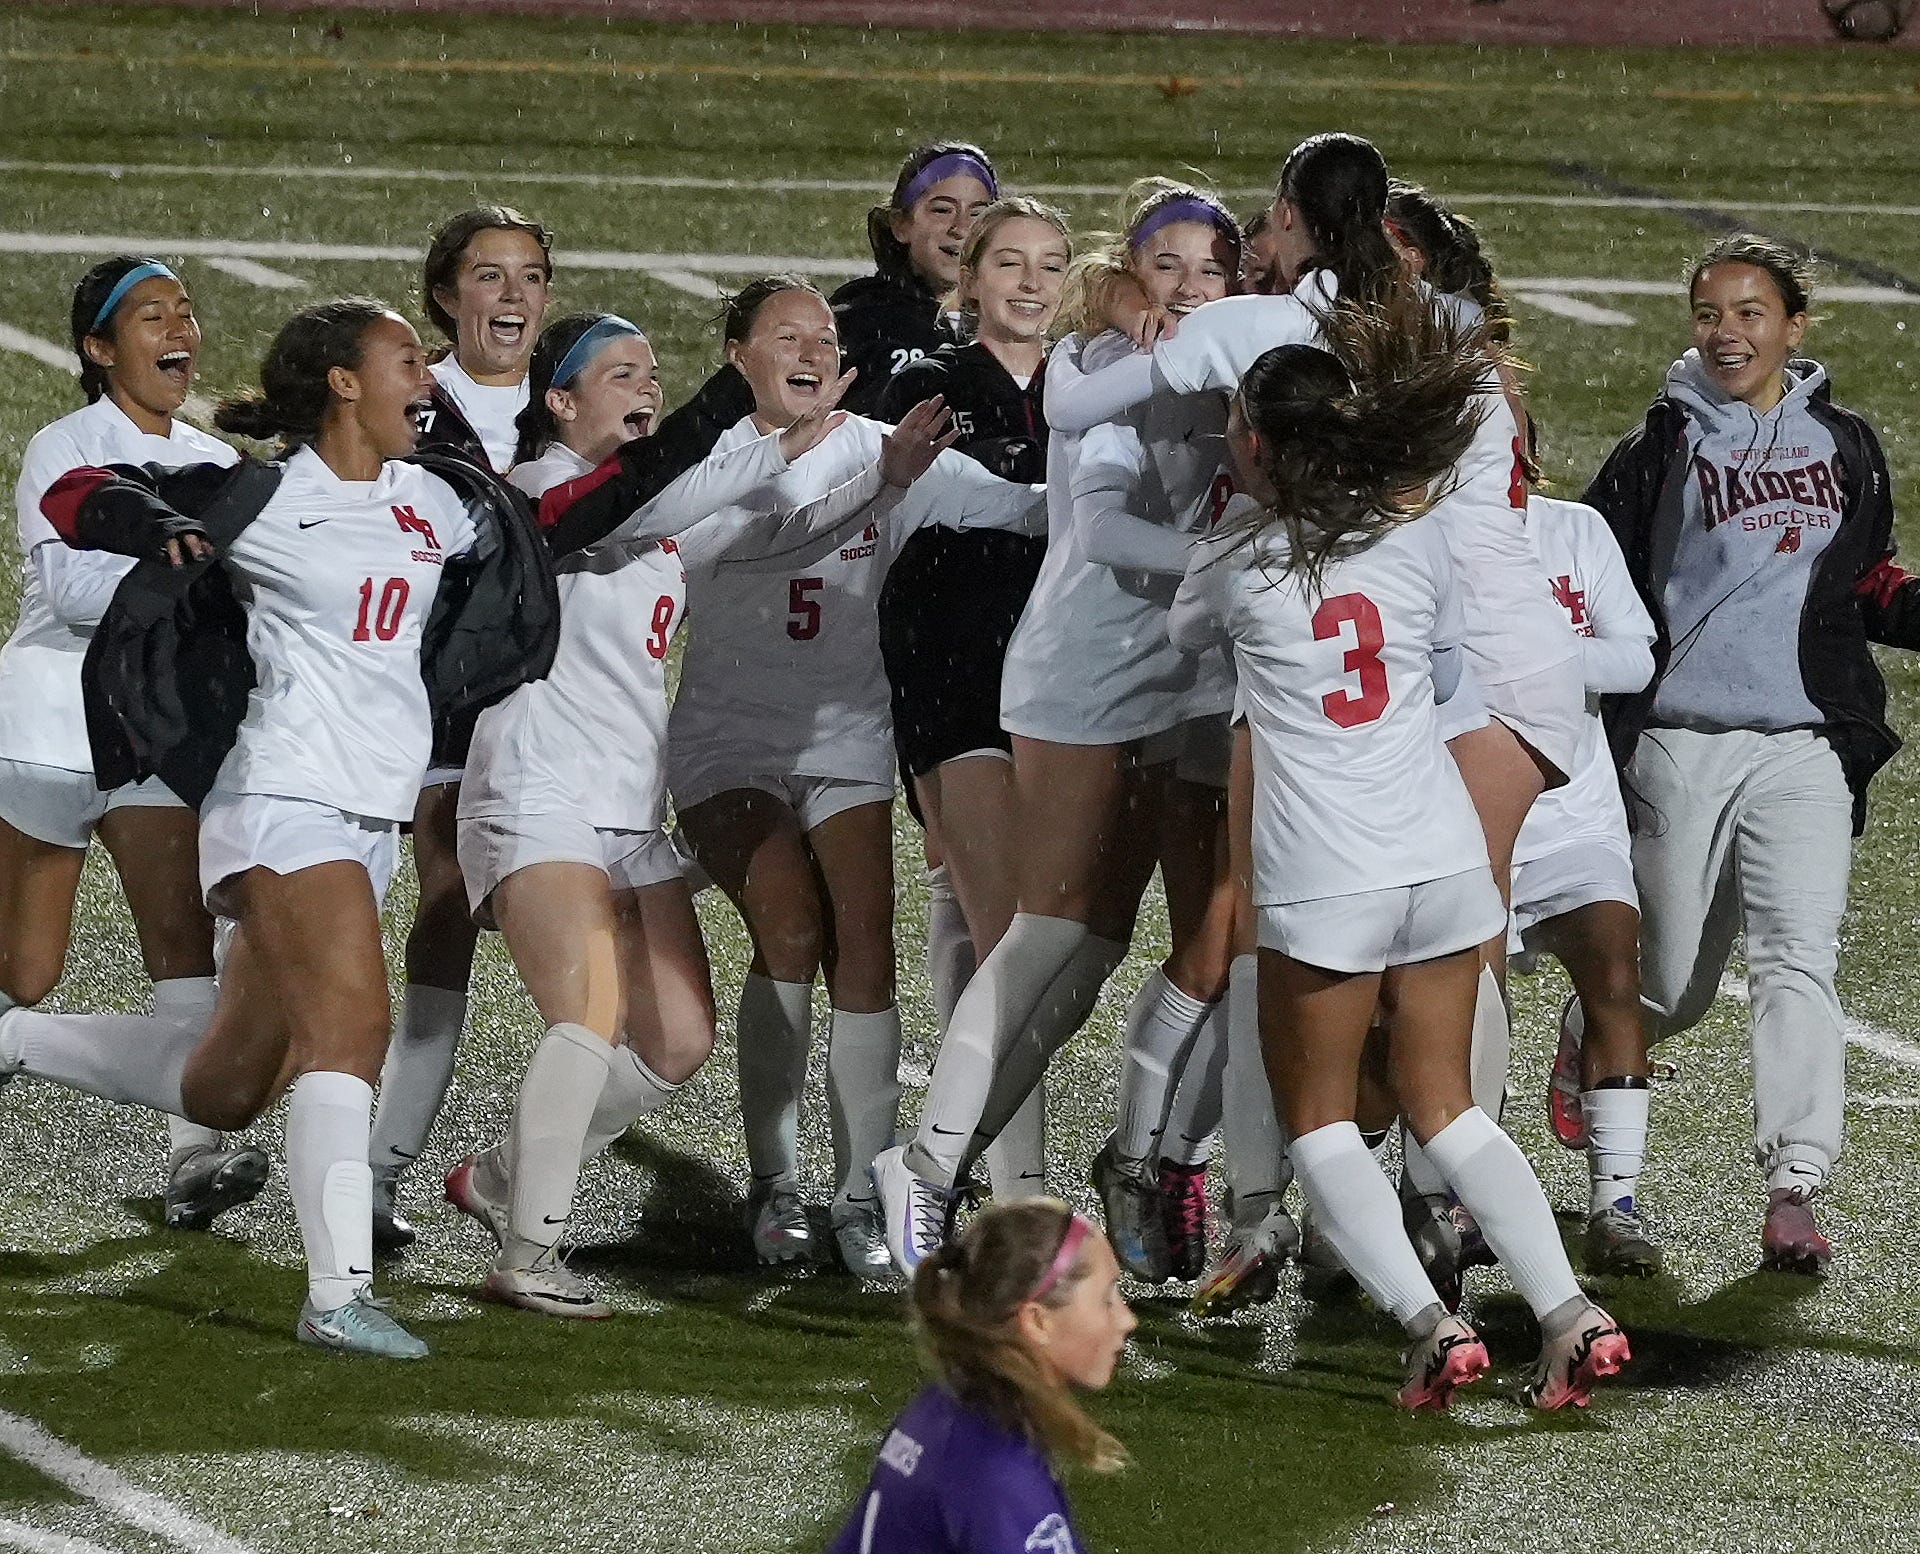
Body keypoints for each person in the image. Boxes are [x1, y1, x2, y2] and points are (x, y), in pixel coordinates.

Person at [3, 297, 556, 1358]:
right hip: (279, 799)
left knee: (226, 1082)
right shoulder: (265, 496)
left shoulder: (433, 501)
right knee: (348, 1033)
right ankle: (337, 1293)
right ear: (344, 383)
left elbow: (523, 552)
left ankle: (14, 1039)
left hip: (371, 816)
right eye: (407, 360)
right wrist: (157, 526)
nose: (426, 379)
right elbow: (80, 493)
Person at [1171, 300, 1630, 1411]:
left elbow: (1186, 637)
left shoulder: (1237, 563)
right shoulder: (1417, 539)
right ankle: (1570, 1313)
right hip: (1442, 863)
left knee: (1320, 1120)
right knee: (1450, 1108)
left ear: (1259, 445)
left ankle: (1436, 1328)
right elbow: (1429, 672)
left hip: (1328, 875)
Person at [873, 181, 1247, 1280]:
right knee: (1045, 930)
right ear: (1127, 269)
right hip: (1086, 668)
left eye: (1209, 268)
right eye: (1165, 263)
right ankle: (926, 1165)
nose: (1186, 286)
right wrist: (1235, 565)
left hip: (1185, 675)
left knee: (1094, 954)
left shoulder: (1231, 365)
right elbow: (1116, 523)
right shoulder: (1095, 365)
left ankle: (971, 1164)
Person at [667, 277, 1046, 1276]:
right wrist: (884, 480)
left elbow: (1021, 509)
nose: (808, 348)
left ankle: (857, 1195)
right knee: (790, 922)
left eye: (823, 336)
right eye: (783, 334)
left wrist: (1127, 491)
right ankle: (773, 1182)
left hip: (844, 739)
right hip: (729, 741)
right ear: (738, 352)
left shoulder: (885, 445)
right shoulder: (699, 461)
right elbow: (761, 539)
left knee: (867, 952)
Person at [1583, 233, 1920, 1274]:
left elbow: (1862, 582)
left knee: (1798, 960)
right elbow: (1596, 579)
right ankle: (1592, 1035)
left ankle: (1795, 1186)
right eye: (1710, 314)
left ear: (1795, 326)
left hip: (1804, 747)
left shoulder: (1847, 443)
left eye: (1750, 313)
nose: (1728, 333)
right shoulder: (1659, 448)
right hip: (1679, 741)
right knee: (1671, 986)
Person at [0, 256, 268, 1230]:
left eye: (185, 311)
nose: (177, 327)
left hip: (155, 733)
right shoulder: (64, 446)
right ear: (99, 347)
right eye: (150, 315)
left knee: (180, 948)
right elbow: (71, 592)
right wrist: (196, 582)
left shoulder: (218, 462)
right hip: (54, 731)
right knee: (24, 975)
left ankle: (196, 1159)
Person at [875, 196, 1071, 1203]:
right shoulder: (931, 377)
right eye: (1009, 264)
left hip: (1058, 666)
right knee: (1014, 930)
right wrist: (1074, 499)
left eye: (1048, 264)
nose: (1030, 283)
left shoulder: (1084, 380)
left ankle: (960, 1159)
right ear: (971, 281)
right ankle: (1014, 1185)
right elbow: (938, 492)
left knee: (978, 907)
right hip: (955, 652)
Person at [370, 205, 555, 1252]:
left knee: (464, 916)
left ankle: (393, 1166)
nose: (515, 297)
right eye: (490, 277)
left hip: (539, 710)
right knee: (422, 908)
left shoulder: (572, 395)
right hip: (412, 701)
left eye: (530, 276)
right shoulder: (412, 400)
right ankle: (369, 1162)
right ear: (446, 294)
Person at [1506, 462, 1662, 1278]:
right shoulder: (1422, 535)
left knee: (1612, 969)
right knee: (1446, 1017)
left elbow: (1633, 659)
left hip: (1575, 820)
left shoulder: (1575, 529)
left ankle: (1616, 1205)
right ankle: (1437, 1198)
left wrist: (1530, 663)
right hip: (1464, 824)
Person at [826, 1199, 1131, 1554]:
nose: (1127, 1320)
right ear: (1037, 1321)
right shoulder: (998, 1471)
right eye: (1107, 1299)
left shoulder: (946, 1406)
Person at [831, 141, 998, 417]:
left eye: (978, 214)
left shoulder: (1013, 319)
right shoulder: (859, 319)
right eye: (942, 210)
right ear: (901, 225)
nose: (961, 228)